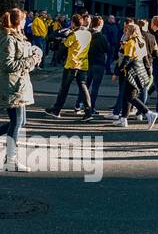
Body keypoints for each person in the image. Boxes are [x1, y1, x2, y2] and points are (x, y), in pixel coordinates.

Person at [0, 9, 41, 170]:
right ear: (18, 22)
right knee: (17, 122)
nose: (26, 22)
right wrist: (32, 59)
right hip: (12, 86)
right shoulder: (8, 39)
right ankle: (11, 160)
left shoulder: (17, 37)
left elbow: (20, 57)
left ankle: (10, 159)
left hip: (18, 85)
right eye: (24, 20)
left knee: (20, 121)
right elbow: (7, 64)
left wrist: (33, 53)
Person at [114, 22, 158, 128]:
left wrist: (120, 69)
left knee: (130, 96)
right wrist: (148, 73)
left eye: (127, 30)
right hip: (140, 70)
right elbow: (145, 58)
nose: (125, 32)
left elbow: (127, 58)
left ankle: (148, 113)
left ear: (130, 32)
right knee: (127, 95)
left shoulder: (130, 42)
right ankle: (123, 119)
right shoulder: (141, 42)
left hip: (131, 71)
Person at [47, 13, 92, 117]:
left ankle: (57, 110)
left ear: (72, 23)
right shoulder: (88, 34)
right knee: (83, 88)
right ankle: (88, 112)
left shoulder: (74, 35)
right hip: (83, 64)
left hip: (72, 64)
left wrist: (62, 42)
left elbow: (65, 46)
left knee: (64, 88)